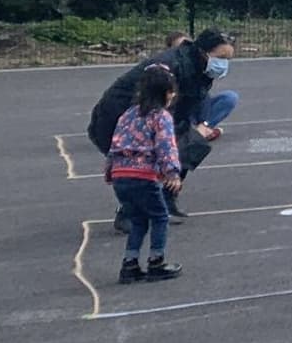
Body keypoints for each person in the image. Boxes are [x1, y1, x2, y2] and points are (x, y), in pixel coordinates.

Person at [88, 28, 238, 229]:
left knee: (189, 145)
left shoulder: (198, 68)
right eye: (220, 57)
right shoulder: (170, 67)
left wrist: (192, 132)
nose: (224, 64)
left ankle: (166, 199)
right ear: (203, 51)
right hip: (118, 120)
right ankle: (129, 213)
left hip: (152, 116)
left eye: (228, 59)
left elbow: (185, 107)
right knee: (145, 163)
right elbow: (150, 110)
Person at [107, 64, 185, 283]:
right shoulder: (161, 117)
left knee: (138, 220)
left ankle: (129, 264)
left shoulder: (128, 115)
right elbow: (166, 146)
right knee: (159, 217)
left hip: (120, 174)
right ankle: (156, 261)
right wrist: (172, 173)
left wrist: (110, 171)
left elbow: (115, 143)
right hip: (142, 175)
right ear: (167, 94)